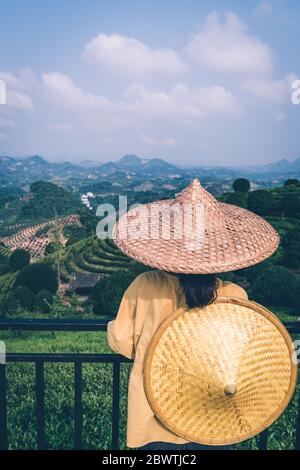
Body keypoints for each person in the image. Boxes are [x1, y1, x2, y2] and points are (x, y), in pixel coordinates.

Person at [107, 179, 279, 450]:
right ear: (221, 248)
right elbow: (245, 357)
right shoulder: (235, 296)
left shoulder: (144, 285)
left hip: (153, 419)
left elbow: (121, 342)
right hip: (213, 416)